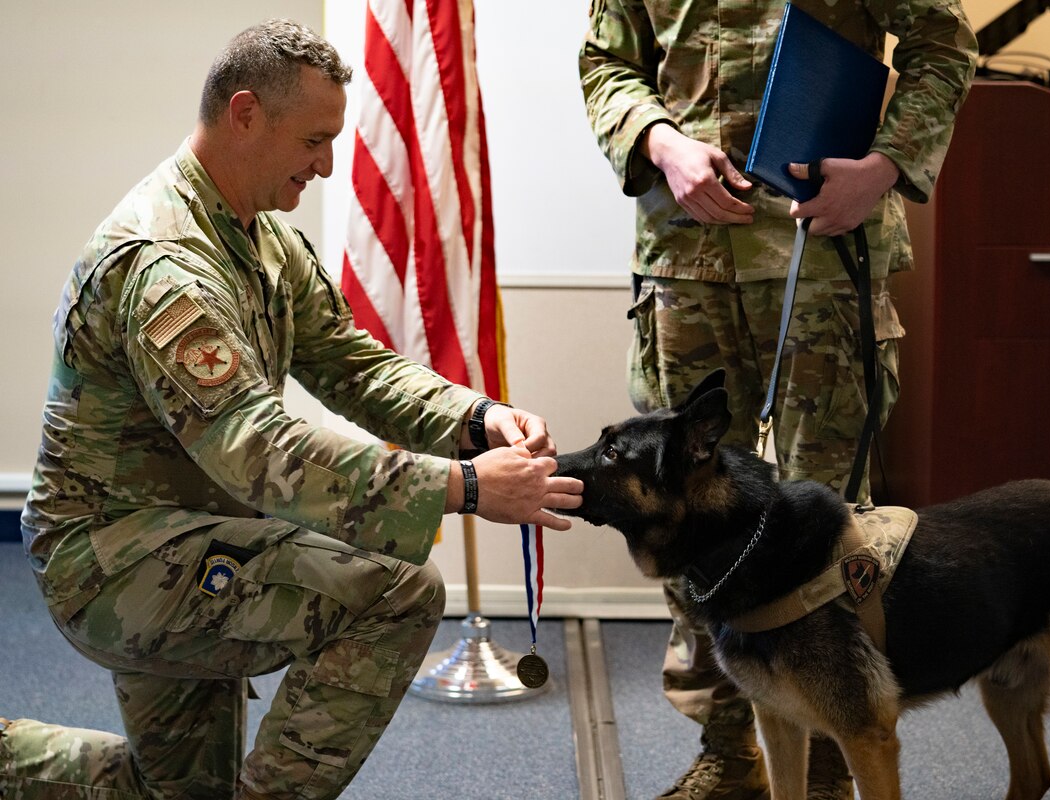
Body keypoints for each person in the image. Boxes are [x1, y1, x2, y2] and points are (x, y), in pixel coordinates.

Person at [0, 18, 582, 800]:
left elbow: (354, 368)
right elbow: (255, 446)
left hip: (195, 535)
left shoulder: (264, 241)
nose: (330, 165)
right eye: (314, 139)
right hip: (113, 559)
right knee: (397, 592)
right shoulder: (166, 265)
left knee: (174, 792)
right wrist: (467, 486)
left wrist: (476, 419)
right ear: (245, 114)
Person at [580, 2, 977, 798]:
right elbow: (606, 65)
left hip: (823, 253)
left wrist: (885, 164)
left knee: (830, 530)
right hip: (684, 262)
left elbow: (945, 42)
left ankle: (828, 768)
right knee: (683, 526)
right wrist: (663, 144)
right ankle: (729, 757)